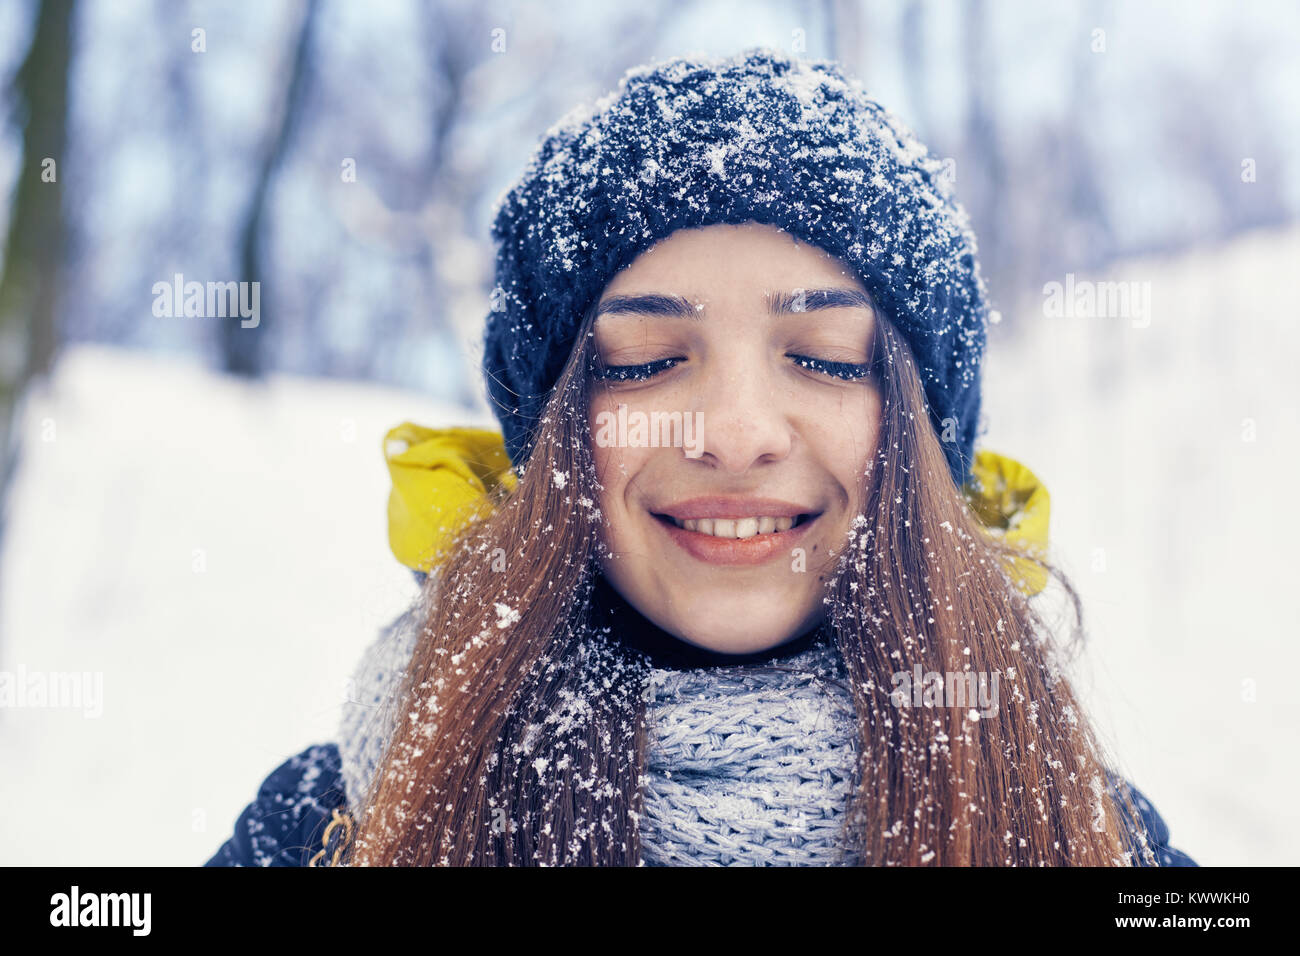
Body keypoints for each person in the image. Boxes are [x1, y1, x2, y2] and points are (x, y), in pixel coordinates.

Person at [205, 47, 1196, 867]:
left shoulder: (1103, 842)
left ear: (920, 441)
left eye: (821, 357)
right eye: (644, 363)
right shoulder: (325, 831)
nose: (732, 431)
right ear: (552, 440)